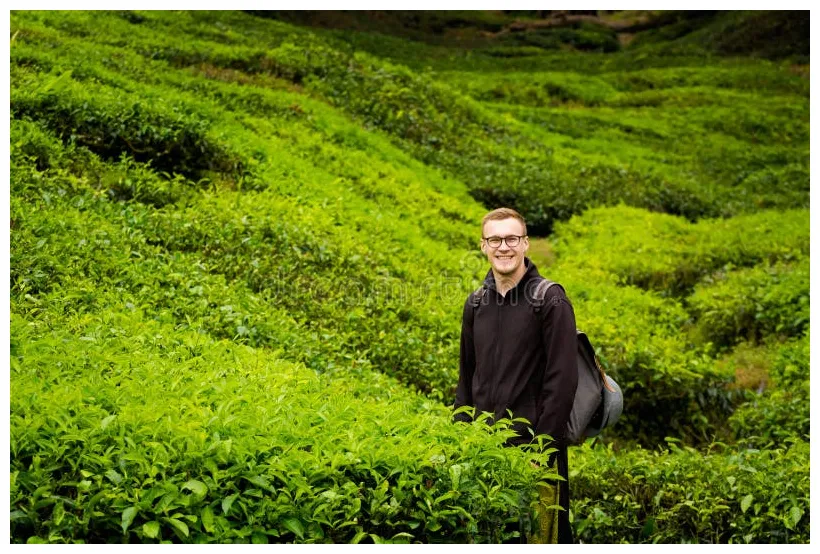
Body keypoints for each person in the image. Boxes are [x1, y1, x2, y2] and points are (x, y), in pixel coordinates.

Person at [454, 207, 578, 544]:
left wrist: (541, 451)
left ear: (525, 244)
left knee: (540, 539)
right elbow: (466, 380)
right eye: (495, 239)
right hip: (484, 453)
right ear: (483, 246)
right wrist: (459, 443)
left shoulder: (550, 300)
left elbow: (562, 383)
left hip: (534, 455)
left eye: (511, 238)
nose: (503, 247)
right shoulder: (476, 303)